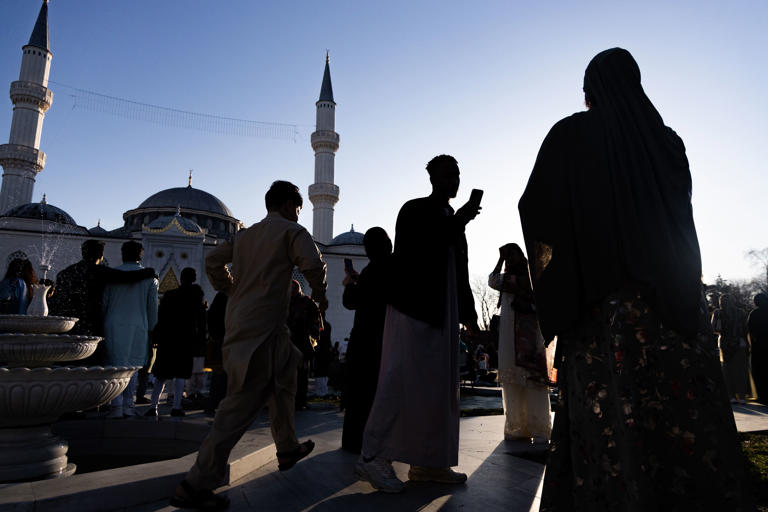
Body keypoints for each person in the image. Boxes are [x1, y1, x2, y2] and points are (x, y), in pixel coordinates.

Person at [519, 48, 753, 511]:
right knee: (686, 429)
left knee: (612, 433)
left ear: (591, 91)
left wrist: (569, 285)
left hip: (607, 321)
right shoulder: (666, 142)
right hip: (677, 315)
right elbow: (679, 224)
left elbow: (537, 211)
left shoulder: (571, 135)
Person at [171, 180, 327, 510]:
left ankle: (286, 447)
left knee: (286, 373)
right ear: (288, 205)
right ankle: (195, 485)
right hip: (262, 330)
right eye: (298, 209)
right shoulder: (290, 231)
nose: (298, 215)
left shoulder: (244, 236)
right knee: (237, 408)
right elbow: (312, 265)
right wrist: (321, 296)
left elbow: (213, 261)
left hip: (251, 325)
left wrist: (230, 288)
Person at [355, 154, 480, 493]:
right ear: (431, 177)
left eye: (456, 174)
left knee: (438, 390)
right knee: (400, 380)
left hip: (443, 311)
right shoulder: (415, 210)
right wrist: (460, 221)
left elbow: (460, 267)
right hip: (414, 307)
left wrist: (468, 314)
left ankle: (430, 463)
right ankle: (371, 456)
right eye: (445, 174)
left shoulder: (452, 216)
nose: (452, 180)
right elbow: (418, 252)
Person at [48, 240, 155, 365]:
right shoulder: (99, 271)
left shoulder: (65, 273)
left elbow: (56, 301)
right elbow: (126, 277)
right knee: (87, 363)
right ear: (101, 255)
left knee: (66, 363)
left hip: (68, 325)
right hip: (90, 325)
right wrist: (150, 272)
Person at [488, 242, 551, 443]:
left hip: (530, 334)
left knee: (533, 380)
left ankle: (538, 427)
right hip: (511, 335)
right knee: (515, 380)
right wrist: (500, 259)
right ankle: (518, 428)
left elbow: (494, 280)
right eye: (508, 257)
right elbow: (493, 281)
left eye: (512, 255)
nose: (510, 260)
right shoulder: (508, 279)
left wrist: (500, 260)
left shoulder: (528, 279)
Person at [341, 227, 392, 454]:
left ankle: (355, 441)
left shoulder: (372, 271)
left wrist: (350, 283)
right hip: (385, 338)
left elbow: (352, 301)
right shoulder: (389, 268)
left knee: (359, 395)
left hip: (365, 340)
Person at [102, 241, 159, 419]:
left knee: (115, 365)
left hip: (112, 323)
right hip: (138, 325)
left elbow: (104, 303)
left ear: (123, 254)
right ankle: (128, 405)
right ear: (140, 255)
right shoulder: (150, 278)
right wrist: (152, 329)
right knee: (132, 366)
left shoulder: (111, 275)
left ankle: (115, 405)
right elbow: (152, 307)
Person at [146, 267, 207, 418]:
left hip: (168, 339)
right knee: (180, 374)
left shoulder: (170, 295)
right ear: (194, 278)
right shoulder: (196, 297)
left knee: (162, 374)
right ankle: (176, 407)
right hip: (185, 340)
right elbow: (201, 320)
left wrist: (156, 336)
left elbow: (161, 317)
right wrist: (200, 340)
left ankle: (153, 407)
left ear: (181, 278)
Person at [287, 279, 323, 410]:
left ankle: (300, 400)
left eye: (294, 288)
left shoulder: (307, 302)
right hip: (287, 340)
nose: (292, 291)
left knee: (301, 373)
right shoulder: (283, 301)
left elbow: (316, 321)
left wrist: (312, 335)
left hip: (302, 341)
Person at [712, 294, 751, 403]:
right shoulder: (741, 313)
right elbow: (745, 329)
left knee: (727, 371)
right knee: (740, 371)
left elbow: (714, 328)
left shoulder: (718, 313)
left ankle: (731, 396)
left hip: (725, 344)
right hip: (739, 344)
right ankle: (742, 396)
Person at [204, 291, 228, 415]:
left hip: (219, 341)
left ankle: (213, 404)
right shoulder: (236, 297)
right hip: (230, 341)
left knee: (218, 375)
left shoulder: (220, 298)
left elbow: (211, 318)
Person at [749, 293, 768, 404]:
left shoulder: (754, 314)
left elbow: (751, 332)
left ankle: (762, 396)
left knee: (759, 372)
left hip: (759, 348)